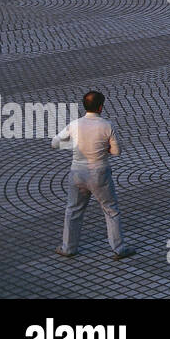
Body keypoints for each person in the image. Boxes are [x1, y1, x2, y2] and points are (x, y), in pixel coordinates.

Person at [51, 91, 136, 259]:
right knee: (111, 210)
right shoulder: (106, 125)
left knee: (73, 210)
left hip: (77, 173)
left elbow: (54, 143)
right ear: (101, 107)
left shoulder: (74, 124)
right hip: (99, 173)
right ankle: (118, 249)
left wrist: (76, 146)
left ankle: (68, 248)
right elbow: (116, 151)